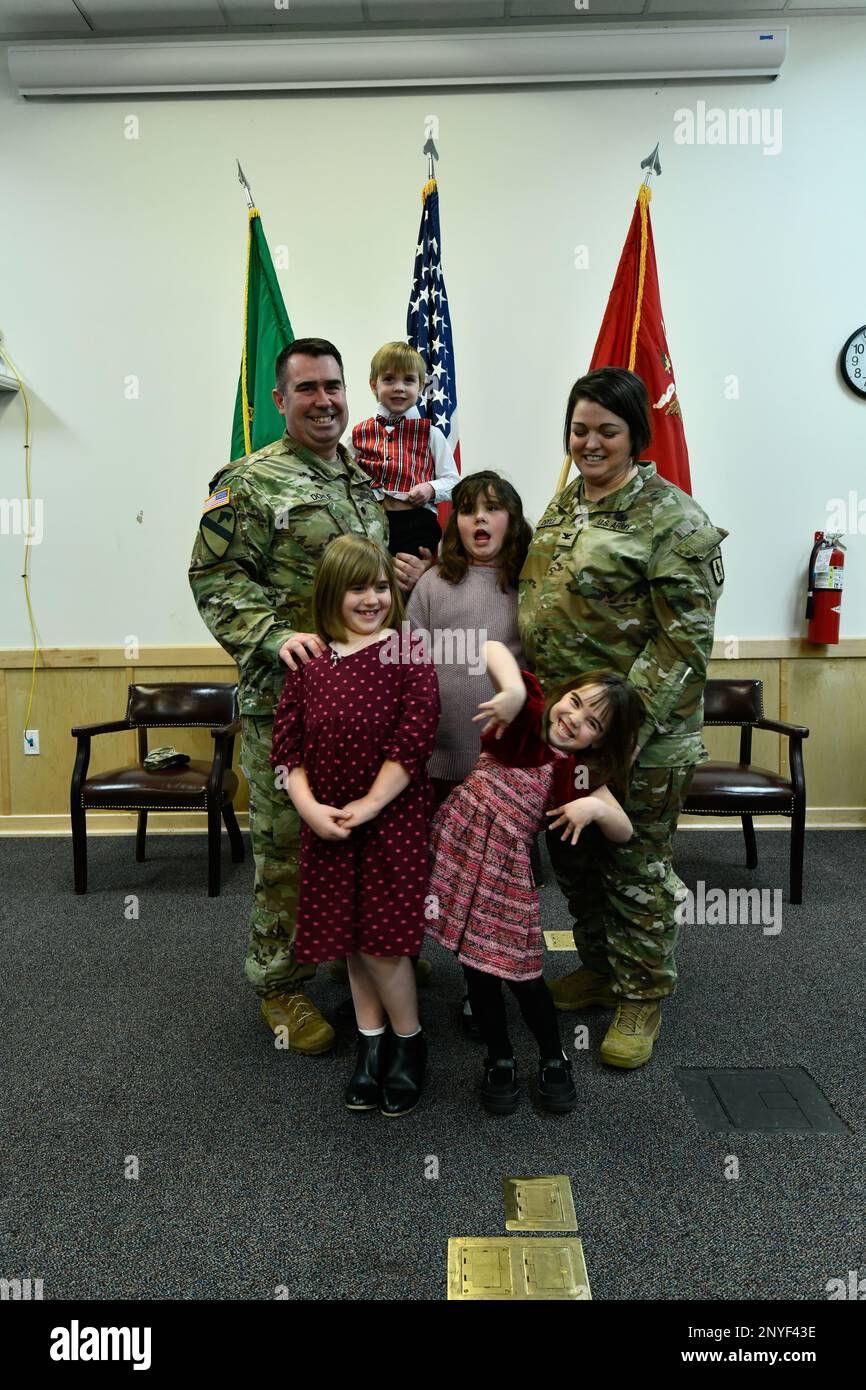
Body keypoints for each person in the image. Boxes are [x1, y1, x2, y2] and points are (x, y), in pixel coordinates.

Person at [188, 338, 428, 1057]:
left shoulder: (359, 478)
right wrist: (271, 635)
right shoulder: (248, 481)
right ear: (279, 400)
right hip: (286, 701)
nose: (325, 400)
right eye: (308, 389)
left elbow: (362, 583)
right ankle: (280, 983)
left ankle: (353, 954)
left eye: (334, 386)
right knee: (289, 845)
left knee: (359, 836)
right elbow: (215, 578)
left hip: (367, 702)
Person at [519, 367, 728, 1069]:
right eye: (579, 430)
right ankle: (601, 966)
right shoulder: (564, 508)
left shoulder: (676, 521)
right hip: (568, 734)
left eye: (606, 431)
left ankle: (642, 993)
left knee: (634, 866)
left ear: (636, 435)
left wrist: (620, 728)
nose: (590, 443)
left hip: (643, 739)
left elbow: (683, 643)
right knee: (575, 859)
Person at [426, 640, 640, 1114]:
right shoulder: (526, 723)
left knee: (524, 974)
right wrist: (514, 695)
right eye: (576, 702)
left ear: (599, 741)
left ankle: (553, 1056)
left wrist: (594, 805)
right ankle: (499, 1058)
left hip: (505, 874)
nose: (574, 720)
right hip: (461, 855)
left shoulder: (576, 773)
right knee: (477, 972)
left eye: (592, 724)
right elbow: (493, 648)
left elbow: (624, 831)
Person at [270, 536, 440, 1117]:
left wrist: (369, 804)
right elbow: (285, 748)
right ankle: (371, 1044)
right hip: (326, 825)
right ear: (330, 595)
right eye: (355, 589)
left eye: (379, 588)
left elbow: (413, 740)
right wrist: (310, 808)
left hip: (390, 821)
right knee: (348, 937)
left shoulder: (407, 651)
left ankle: (409, 1040)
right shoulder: (311, 662)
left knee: (384, 943)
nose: (370, 600)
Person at [406, 470, 531, 1036]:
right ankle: (404, 966)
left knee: (490, 883)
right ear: (453, 522)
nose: (480, 519)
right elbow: (408, 661)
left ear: (512, 519)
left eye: (493, 509)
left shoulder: (526, 583)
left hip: (500, 769)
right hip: (437, 757)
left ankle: (484, 984)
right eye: (468, 510)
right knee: (434, 872)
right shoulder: (433, 585)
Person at [345, 341, 459, 559]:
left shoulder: (431, 434)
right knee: (372, 577)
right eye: (389, 379)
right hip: (370, 523)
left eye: (408, 380)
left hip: (416, 524)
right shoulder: (358, 433)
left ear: (421, 386)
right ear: (373, 385)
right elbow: (340, 474)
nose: (399, 387)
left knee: (408, 582)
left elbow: (453, 481)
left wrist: (430, 488)